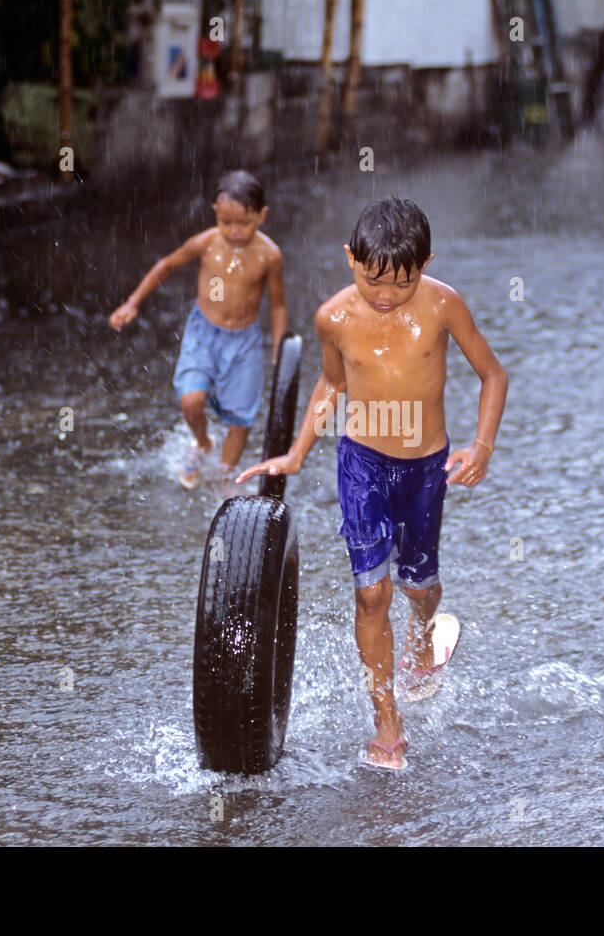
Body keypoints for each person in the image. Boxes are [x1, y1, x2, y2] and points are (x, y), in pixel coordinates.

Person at [237, 198, 507, 769]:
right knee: (371, 591)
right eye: (371, 280)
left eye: (402, 283)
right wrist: (296, 453)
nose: (385, 295)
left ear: (426, 263)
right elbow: (332, 386)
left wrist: (481, 446)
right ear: (350, 259)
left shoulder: (442, 305)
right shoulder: (333, 316)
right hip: (361, 461)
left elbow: (492, 373)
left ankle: (425, 627)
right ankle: (387, 722)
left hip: (425, 466)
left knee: (417, 586)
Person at [110, 170, 288, 486]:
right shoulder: (206, 243)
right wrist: (132, 302)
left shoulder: (269, 255)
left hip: (244, 341)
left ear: (262, 215)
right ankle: (203, 443)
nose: (234, 231)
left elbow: (277, 304)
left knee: (240, 419)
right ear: (215, 213)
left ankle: (223, 479)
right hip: (204, 334)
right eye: (226, 222)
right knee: (191, 400)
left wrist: (279, 346)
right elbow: (167, 265)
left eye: (243, 223)